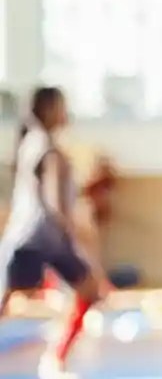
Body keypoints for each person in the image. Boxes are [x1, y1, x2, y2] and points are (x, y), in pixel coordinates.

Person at [0, 87, 104, 378]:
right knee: (7, 301)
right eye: (61, 106)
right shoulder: (47, 149)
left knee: (89, 290)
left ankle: (55, 361)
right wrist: (79, 237)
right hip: (35, 239)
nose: (65, 112)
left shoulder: (32, 142)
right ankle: (55, 360)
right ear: (48, 110)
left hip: (45, 240)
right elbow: (56, 205)